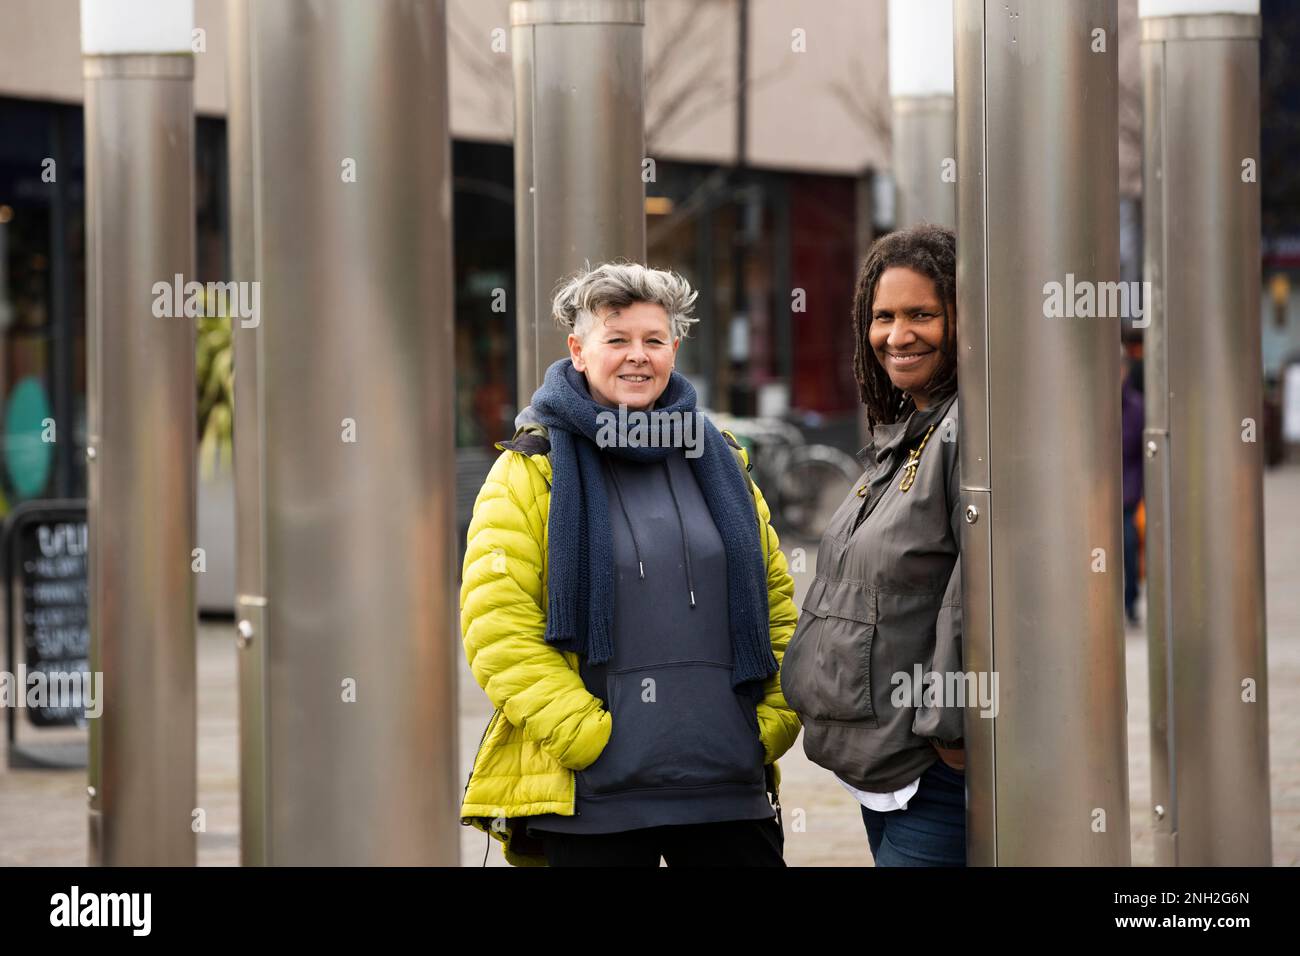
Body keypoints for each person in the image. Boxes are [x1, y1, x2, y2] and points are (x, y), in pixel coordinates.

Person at [459, 262, 801, 866]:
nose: (636, 356)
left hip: (726, 789)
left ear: (675, 347)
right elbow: (498, 627)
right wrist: (586, 738)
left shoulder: (718, 458)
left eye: (653, 339)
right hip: (596, 800)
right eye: (616, 339)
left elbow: (776, 602)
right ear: (580, 350)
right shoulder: (529, 469)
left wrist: (770, 721)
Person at [781, 224, 967, 867]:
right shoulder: (907, 432)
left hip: (933, 771)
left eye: (923, 314)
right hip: (879, 769)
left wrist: (950, 731)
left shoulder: (965, 429)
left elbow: (976, 588)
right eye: (883, 316)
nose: (897, 334)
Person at [1121, 353, 1145, 625]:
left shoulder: (1137, 407)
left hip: (1127, 494)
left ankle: (1130, 600)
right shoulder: (1096, 406)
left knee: (1128, 546)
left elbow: (1141, 454)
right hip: (1100, 497)